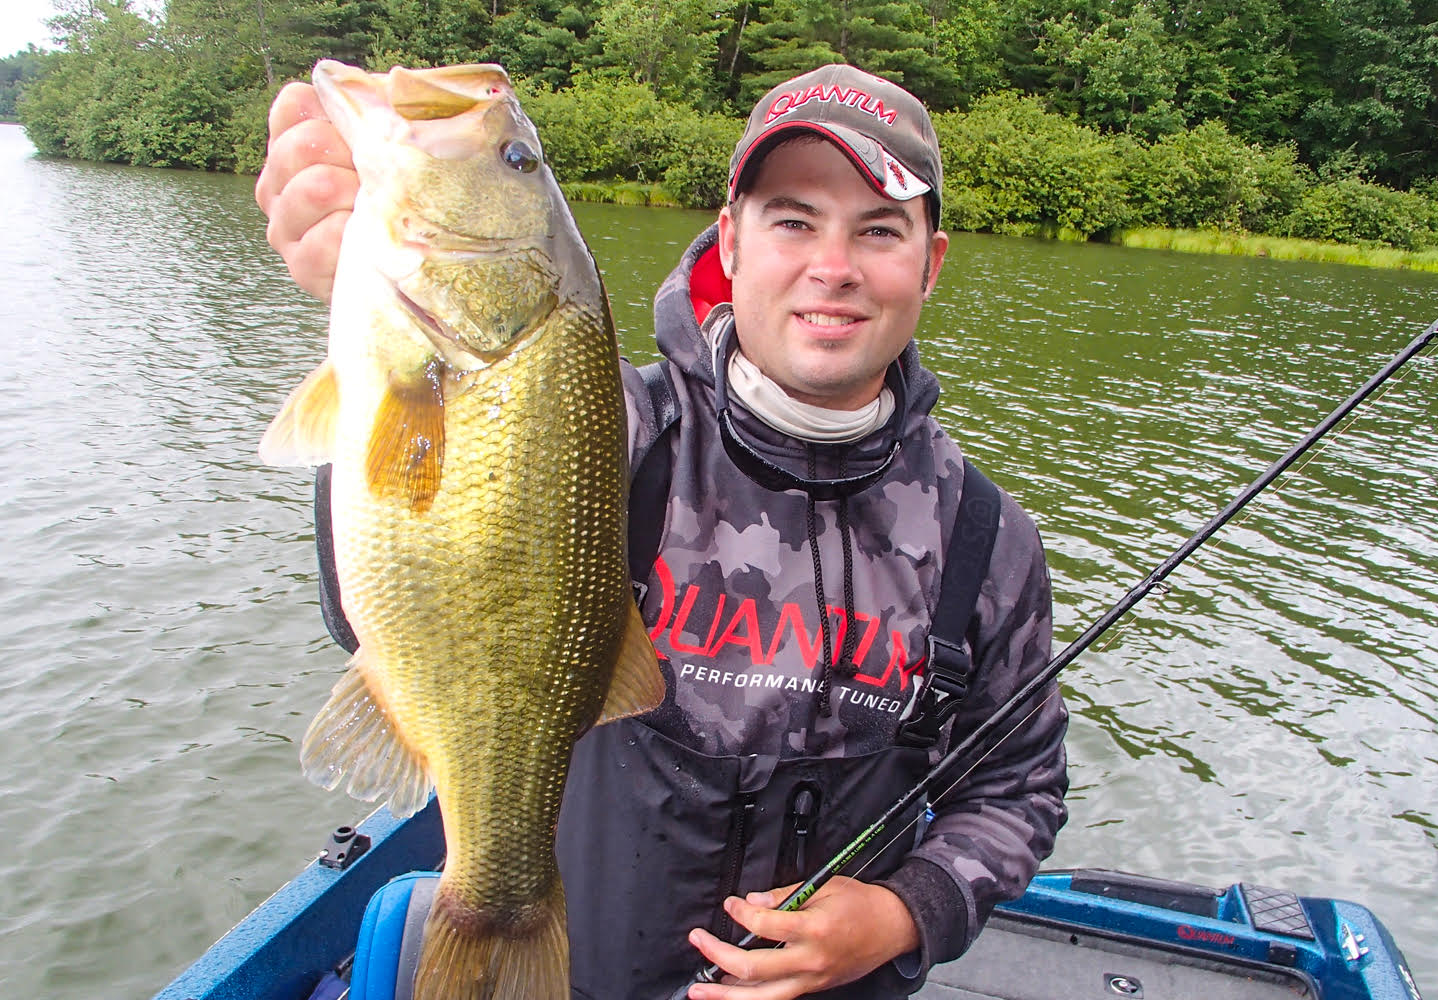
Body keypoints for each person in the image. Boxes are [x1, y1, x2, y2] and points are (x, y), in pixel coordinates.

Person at [257, 62, 1068, 1000]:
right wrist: (356, 306)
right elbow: (393, 577)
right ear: (730, 239)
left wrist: (903, 913)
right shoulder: (614, 434)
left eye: (878, 230)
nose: (832, 266)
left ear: (929, 263)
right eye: (793, 219)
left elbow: (1017, 789)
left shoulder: (984, 539)